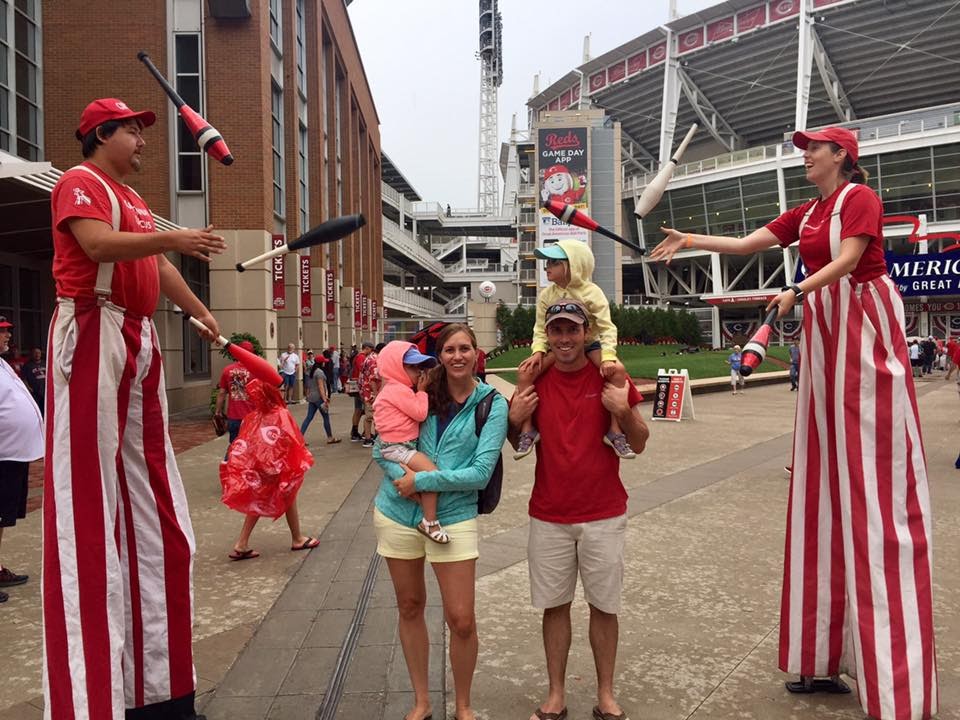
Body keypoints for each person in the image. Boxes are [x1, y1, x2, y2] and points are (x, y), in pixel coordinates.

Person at [651, 126, 937, 719]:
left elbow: (852, 260)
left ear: (842, 156)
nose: (805, 154)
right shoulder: (806, 211)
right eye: (804, 147)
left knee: (873, 486)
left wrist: (796, 289)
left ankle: (895, 681)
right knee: (820, 484)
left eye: (815, 147)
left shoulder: (858, 198)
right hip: (825, 328)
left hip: (860, 322)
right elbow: (745, 243)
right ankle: (824, 655)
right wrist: (689, 237)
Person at [46, 97, 223, 719]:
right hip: (95, 329)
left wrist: (204, 319)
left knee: (162, 521)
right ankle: (91, 702)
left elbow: (155, 264)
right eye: (132, 130)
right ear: (100, 133)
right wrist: (174, 234)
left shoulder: (135, 201)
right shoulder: (81, 182)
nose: (144, 141)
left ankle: (160, 695)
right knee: (91, 520)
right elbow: (97, 248)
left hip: (137, 337)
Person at [506, 300, 648, 720]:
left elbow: (639, 442)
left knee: (605, 606)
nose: (565, 339)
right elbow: (518, 444)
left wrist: (622, 411)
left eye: (572, 330)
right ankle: (556, 695)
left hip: (603, 511)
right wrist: (515, 420)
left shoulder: (609, 376)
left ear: (587, 332)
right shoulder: (535, 379)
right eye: (557, 331)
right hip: (549, 512)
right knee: (555, 605)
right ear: (546, 335)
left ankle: (606, 694)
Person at [374, 323, 507, 720]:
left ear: (476, 352)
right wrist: (406, 480)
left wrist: (422, 480)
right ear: (439, 354)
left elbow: (481, 472)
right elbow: (382, 448)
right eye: (449, 349)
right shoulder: (420, 392)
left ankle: (463, 704)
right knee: (410, 605)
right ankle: (422, 701)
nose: (457, 356)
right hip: (398, 513)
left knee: (461, 618)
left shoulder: (490, 404)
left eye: (465, 348)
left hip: (455, 515)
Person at [515, 240, 634, 461]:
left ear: (573, 265)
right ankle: (527, 430)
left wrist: (608, 357)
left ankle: (615, 431)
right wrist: (538, 351)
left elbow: (607, 327)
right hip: (557, 345)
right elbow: (540, 328)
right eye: (546, 262)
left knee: (617, 371)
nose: (546, 266)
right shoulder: (546, 295)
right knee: (525, 373)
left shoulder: (592, 292)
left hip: (591, 343)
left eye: (553, 262)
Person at [372, 341, 447, 542]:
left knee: (418, 481)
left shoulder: (392, 388)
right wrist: (422, 391)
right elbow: (420, 413)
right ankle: (430, 522)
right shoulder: (398, 390)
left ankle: (424, 509)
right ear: (395, 368)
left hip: (394, 447)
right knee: (432, 475)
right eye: (412, 367)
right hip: (399, 447)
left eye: (419, 367)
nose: (418, 372)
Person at [0, 316, 43, 604]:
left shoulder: (3, 363)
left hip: (12, 454)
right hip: (3, 454)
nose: (7, 336)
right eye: (2, 332)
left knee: (2, 517)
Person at [215, 341, 258, 457]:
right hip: (252, 417)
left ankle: (228, 468)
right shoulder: (256, 370)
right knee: (252, 447)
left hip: (234, 416)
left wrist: (218, 411)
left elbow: (222, 393)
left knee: (234, 446)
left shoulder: (228, 370)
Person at [300, 358, 340, 445]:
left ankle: (300, 437)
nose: (324, 364)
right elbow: (321, 387)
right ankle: (330, 437)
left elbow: (308, 385)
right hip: (319, 398)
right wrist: (325, 399)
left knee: (309, 417)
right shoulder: (319, 372)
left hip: (311, 397)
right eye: (323, 362)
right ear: (321, 363)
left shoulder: (311, 371)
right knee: (326, 417)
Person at [359, 342, 384, 448]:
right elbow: (373, 379)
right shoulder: (374, 360)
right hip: (371, 392)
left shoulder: (369, 358)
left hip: (366, 391)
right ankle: (368, 439)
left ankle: (369, 437)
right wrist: (376, 394)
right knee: (371, 416)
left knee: (370, 416)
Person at [349, 341, 372, 441]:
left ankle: (356, 431)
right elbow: (363, 371)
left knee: (359, 409)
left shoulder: (358, 357)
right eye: (371, 349)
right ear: (366, 348)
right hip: (361, 387)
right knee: (361, 409)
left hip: (358, 386)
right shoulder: (361, 357)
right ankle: (359, 432)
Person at [19, 347, 46, 414]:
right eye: (35, 353)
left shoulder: (45, 363)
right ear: (32, 354)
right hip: (35, 393)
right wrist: (28, 388)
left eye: (39, 353)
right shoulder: (27, 365)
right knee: (37, 411)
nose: (37, 354)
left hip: (46, 392)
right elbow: (23, 378)